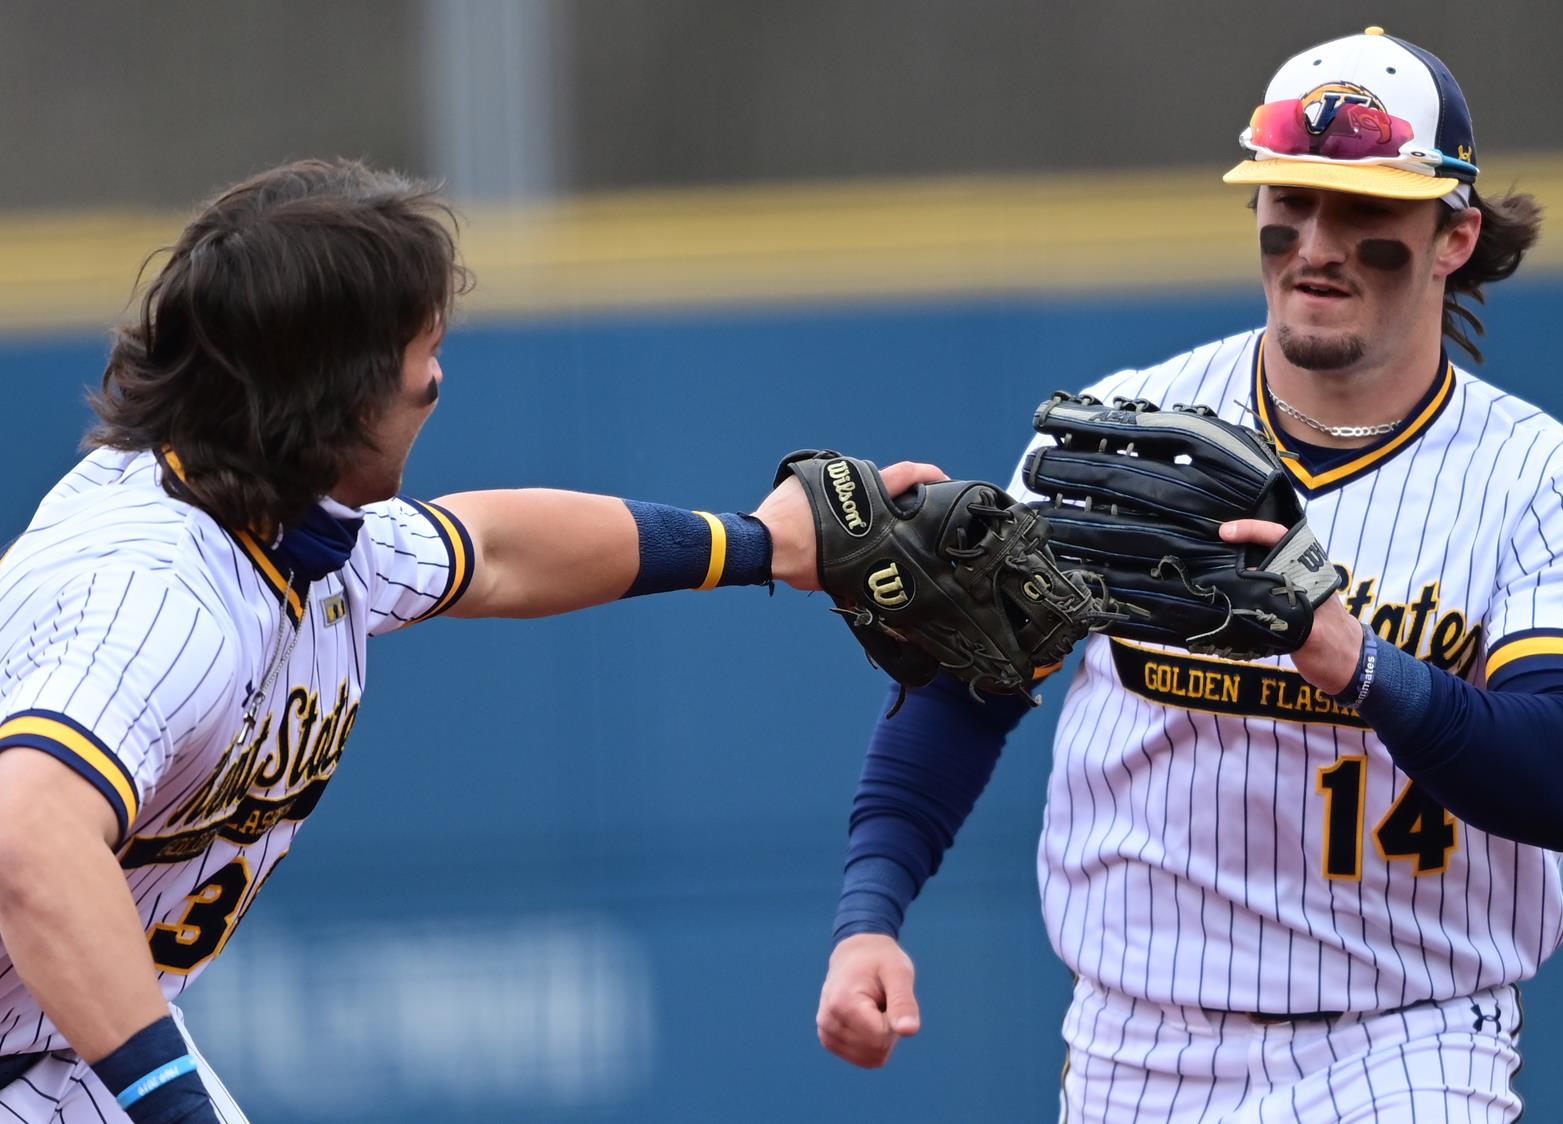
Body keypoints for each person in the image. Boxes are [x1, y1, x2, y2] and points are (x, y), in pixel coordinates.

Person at [0, 158, 940, 1123]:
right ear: (331, 395)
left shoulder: (285, 519)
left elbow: (491, 550)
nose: (434, 376)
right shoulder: (155, 592)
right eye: (418, 352)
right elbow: (29, 838)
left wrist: (758, 544)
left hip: (56, 1052)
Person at [815, 27, 1563, 1122]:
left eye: (1363, 212)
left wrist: (1353, 660)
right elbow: (969, 685)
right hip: (1134, 1040)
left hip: (1407, 1034)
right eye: (1286, 202)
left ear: (1452, 235)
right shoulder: (1127, 439)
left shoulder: (1540, 481)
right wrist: (869, 912)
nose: (1315, 242)